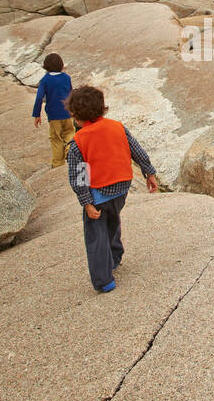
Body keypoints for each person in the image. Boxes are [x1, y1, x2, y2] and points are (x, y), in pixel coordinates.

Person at [65, 85, 160, 293]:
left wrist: (86, 202)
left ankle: (103, 280)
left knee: (96, 235)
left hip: (99, 194)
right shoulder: (117, 127)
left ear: (77, 117)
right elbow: (137, 151)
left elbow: (79, 177)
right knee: (112, 219)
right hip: (122, 188)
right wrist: (149, 173)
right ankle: (115, 257)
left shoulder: (79, 142)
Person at [32, 52, 75, 167]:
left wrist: (37, 114)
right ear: (61, 65)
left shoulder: (45, 80)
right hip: (67, 113)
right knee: (69, 132)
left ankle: (58, 162)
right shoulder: (66, 78)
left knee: (56, 138)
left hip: (54, 115)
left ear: (46, 66)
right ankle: (69, 150)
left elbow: (39, 98)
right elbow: (71, 94)